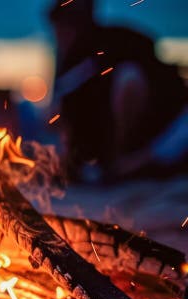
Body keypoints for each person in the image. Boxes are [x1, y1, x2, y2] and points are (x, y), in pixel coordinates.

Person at [48, 0, 188, 182]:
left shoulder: (116, 43)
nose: (59, 35)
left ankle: (125, 163)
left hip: (159, 132)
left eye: (64, 27)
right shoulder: (69, 64)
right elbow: (61, 113)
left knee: (129, 78)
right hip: (104, 148)